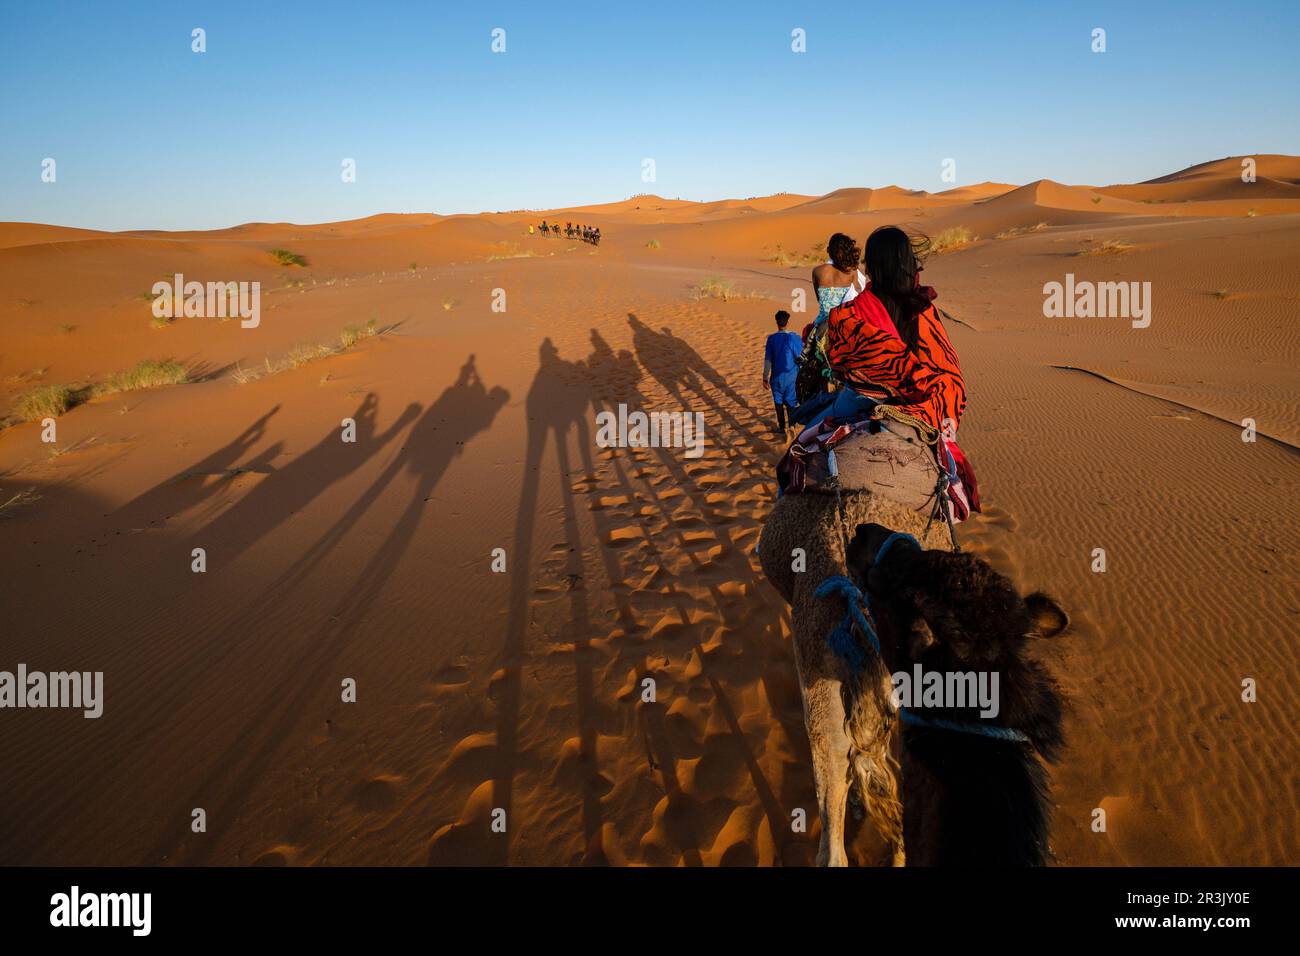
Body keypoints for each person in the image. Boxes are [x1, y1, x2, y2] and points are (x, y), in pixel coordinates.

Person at [763, 310, 803, 435]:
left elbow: (768, 360)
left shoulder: (771, 339)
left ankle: (781, 428)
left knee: (778, 401)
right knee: (791, 401)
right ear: (787, 322)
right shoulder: (795, 337)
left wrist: (765, 377)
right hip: (792, 376)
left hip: (776, 377)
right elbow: (801, 358)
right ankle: (792, 426)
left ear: (777, 323)